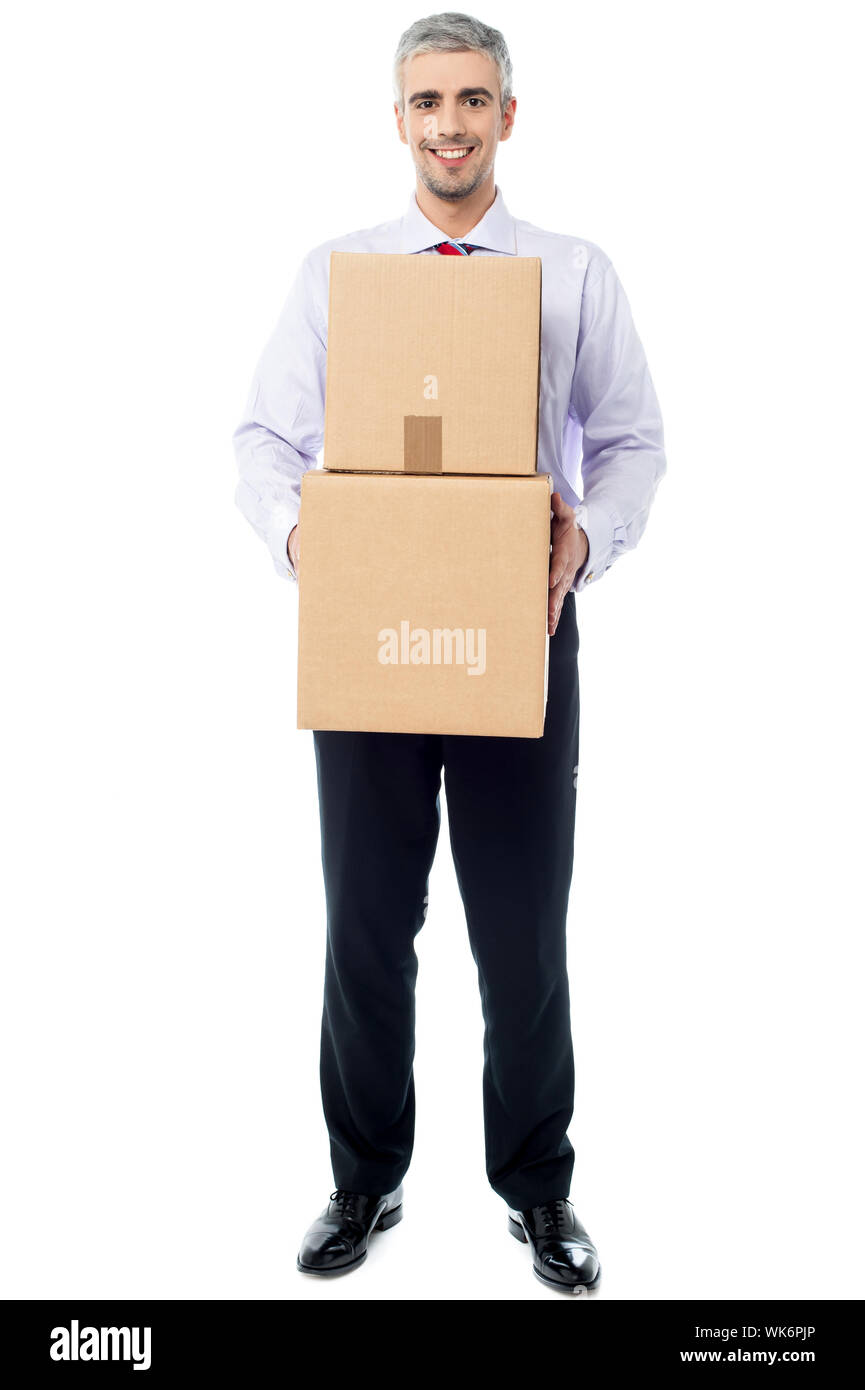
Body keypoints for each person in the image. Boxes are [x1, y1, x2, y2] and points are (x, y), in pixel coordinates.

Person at [232, 11, 666, 1295]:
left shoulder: (572, 273)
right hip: (370, 623)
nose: (452, 124)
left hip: (516, 623)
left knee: (522, 933)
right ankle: (364, 1180)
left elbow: (636, 441)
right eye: (429, 102)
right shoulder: (339, 274)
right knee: (366, 923)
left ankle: (538, 1192)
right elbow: (261, 436)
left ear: (508, 117)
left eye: (474, 99)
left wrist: (583, 541)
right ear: (400, 120)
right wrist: (307, 541)